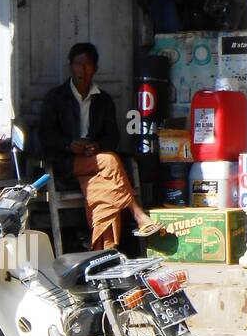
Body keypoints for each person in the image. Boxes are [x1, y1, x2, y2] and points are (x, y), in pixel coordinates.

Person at [38, 42, 164, 249]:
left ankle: (104, 251)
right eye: (78, 64)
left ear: (95, 69)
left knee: (102, 194)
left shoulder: (103, 100)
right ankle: (138, 214)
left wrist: (96, 146)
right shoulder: (56, 98)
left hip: (94, 164)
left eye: (87, 65)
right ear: (71, 67)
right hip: (67, 162)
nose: (82, 70)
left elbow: (112, 136)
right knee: (110, 161)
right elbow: (45, 135)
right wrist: (69, 145)